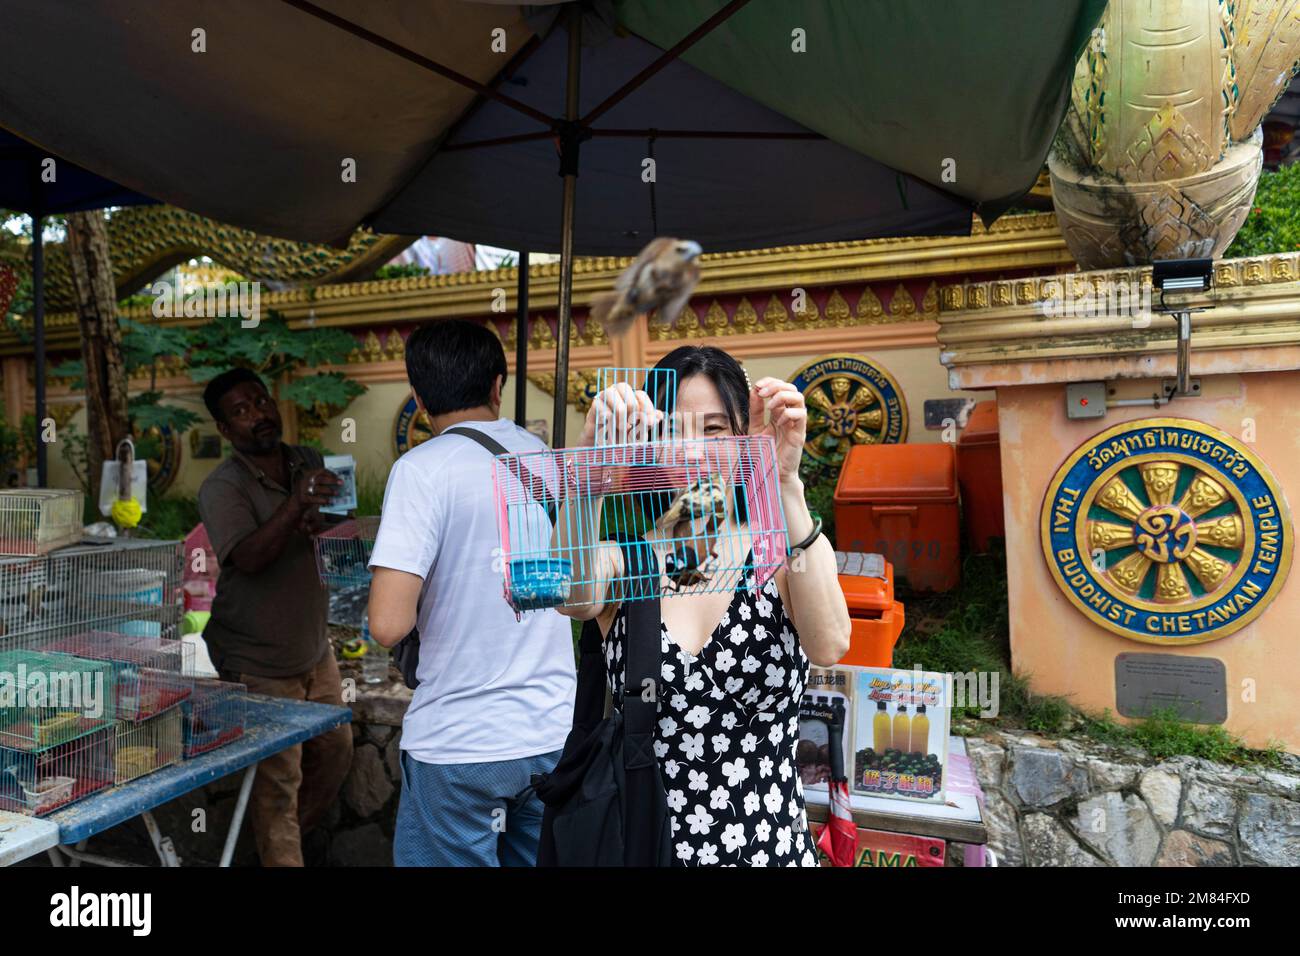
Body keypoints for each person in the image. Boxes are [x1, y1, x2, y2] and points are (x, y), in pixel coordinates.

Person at [556, 345, 852, 867]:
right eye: (672, 430)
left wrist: (784, 480)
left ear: (745, 437)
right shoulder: (628, 562)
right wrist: (589, 470)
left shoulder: (783, 554)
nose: (691, 451)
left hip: (771, 851)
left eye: (714, 430)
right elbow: (572, 595)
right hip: (648, 850)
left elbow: (830, 644)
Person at [367, 320, 576, 867]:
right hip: (551, 735)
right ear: (497, 385)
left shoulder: (420, 471)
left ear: (418, 398)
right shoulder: (544, 459)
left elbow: (388, 624)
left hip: (461, 747)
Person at [197, 367, 353, 867]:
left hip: (314, 649)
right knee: (278, 784)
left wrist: (326, 520)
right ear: (225, 429)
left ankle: (271, 854)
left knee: (335, 751)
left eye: (260, 401)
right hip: (256, 660)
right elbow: (248, 558)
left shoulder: (307, 460)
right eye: (241, 411)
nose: (258, 415)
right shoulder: (222, 486)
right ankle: (278, 853)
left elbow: (334, 527)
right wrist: (295, 504)